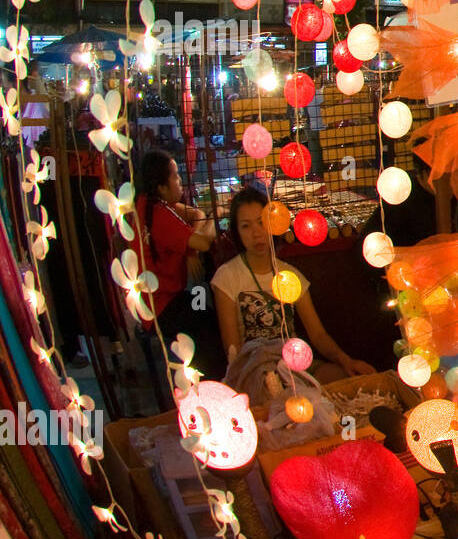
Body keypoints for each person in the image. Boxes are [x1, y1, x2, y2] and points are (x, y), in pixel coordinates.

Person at [212, 188, 375, 382]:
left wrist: (345, 360)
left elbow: (318, 334)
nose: (256, 233)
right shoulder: (226, 277)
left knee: (345, 377)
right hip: (254, 370)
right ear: (237, 232)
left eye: (262, 222)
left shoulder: (290, 274)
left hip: (295, 365)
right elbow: (232, 350)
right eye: (246, 226)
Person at [134, 150, 224, 388]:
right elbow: (204, 242)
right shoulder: (159, 214)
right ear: (161, 186)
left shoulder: (147, 204)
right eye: (175, 176)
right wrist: (216, 216)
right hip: (162, 307)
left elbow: (196, 214)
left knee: (204, 305)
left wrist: (189, 251)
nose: (180, 181)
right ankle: (212, 384)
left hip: (155, 303)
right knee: (208, 318)